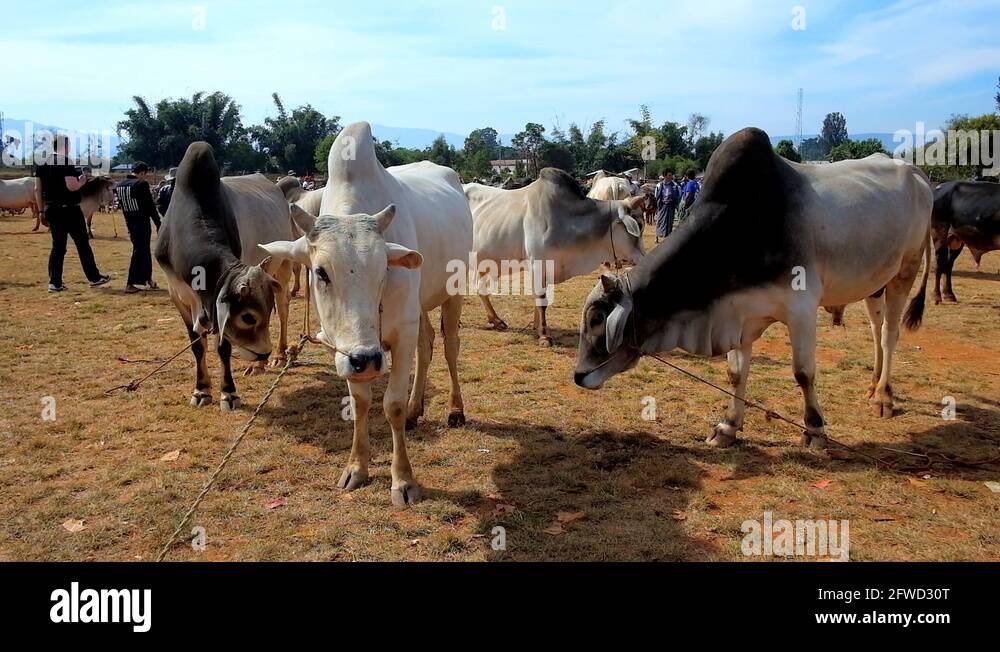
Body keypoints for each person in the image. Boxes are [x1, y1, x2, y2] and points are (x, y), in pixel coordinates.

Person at [33, 134, 110, 292]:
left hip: (51, 208)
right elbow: (71, 186)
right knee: (82, 244)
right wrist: (82, 180)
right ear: (65, 146)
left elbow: (37, 189)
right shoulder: (66, 161)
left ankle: (55, 282)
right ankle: (94, 277)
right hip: (69, 209)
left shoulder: (42, 164)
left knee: (58, 247)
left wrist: (41, 211)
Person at [115, 162, 160, 293]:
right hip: (142, 222)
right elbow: (150, 207)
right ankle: (130, 283)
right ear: (142, 173)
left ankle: (148, 279)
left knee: (144, 250)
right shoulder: (141, 184)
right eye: (145, 175)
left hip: (130, 222)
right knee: (140, 251)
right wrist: (158, 223)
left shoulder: (120, 185)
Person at [654, 170, 681, 242]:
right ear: (665, 176)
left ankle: (668, 238)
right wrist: (657, 205)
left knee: (670, 221)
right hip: (662, 206)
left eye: (671, 175)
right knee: (659, 220)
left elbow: (678, 195)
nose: (671, 177)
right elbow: (656, 196)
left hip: (671, 206)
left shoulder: (675, 185)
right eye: (669, 175)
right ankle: (656, 236)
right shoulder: (659, 185)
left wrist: (675, 203)